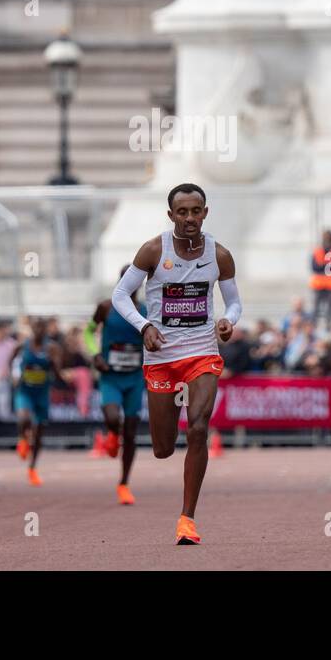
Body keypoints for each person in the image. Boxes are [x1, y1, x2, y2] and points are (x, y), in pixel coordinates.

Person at [111, 182, 241, 545]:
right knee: (163, 448)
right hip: (162, 357)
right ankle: (167, 449)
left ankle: (187, 519)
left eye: (195, 211)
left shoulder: (220, 254)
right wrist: (145, 325)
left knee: (198, 429)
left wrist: (229, 320)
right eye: (181, 212)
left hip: (202, 353)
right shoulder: (154, 250)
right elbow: (120, 295)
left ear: (205, 213)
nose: (189, 218)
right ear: (171, 216)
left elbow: (233, 302)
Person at [91, 264, 148, 505]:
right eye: (127, 278)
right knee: (113, 417)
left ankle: (124, 483)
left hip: (135, 377)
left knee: (132, 432)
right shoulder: (105, 307)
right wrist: (95, 354)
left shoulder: (145, 309)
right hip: (111, 376)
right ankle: (112, 433)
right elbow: (88, 331)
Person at [11, 326, 61, 486]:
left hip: (42, 393)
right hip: (25, 390)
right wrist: (13, 377)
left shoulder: (52, 348)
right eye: (36, 331)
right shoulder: (22, 346)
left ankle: (32, 468)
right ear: (33, 332)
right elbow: (10, 360)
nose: (39, 334)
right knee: (23, 418)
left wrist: (55, 367)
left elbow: (57, 369)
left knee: (39, 432)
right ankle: (23, 439)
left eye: (42, 331)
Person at [309, 229, 331, 327]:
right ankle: (314, 326)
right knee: (316, 309)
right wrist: (324, 265)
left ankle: (329, 326)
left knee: (330, 310)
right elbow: (315, 267)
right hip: (318, 285)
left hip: (330, 285)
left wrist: (322, 265)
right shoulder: (317, 251)